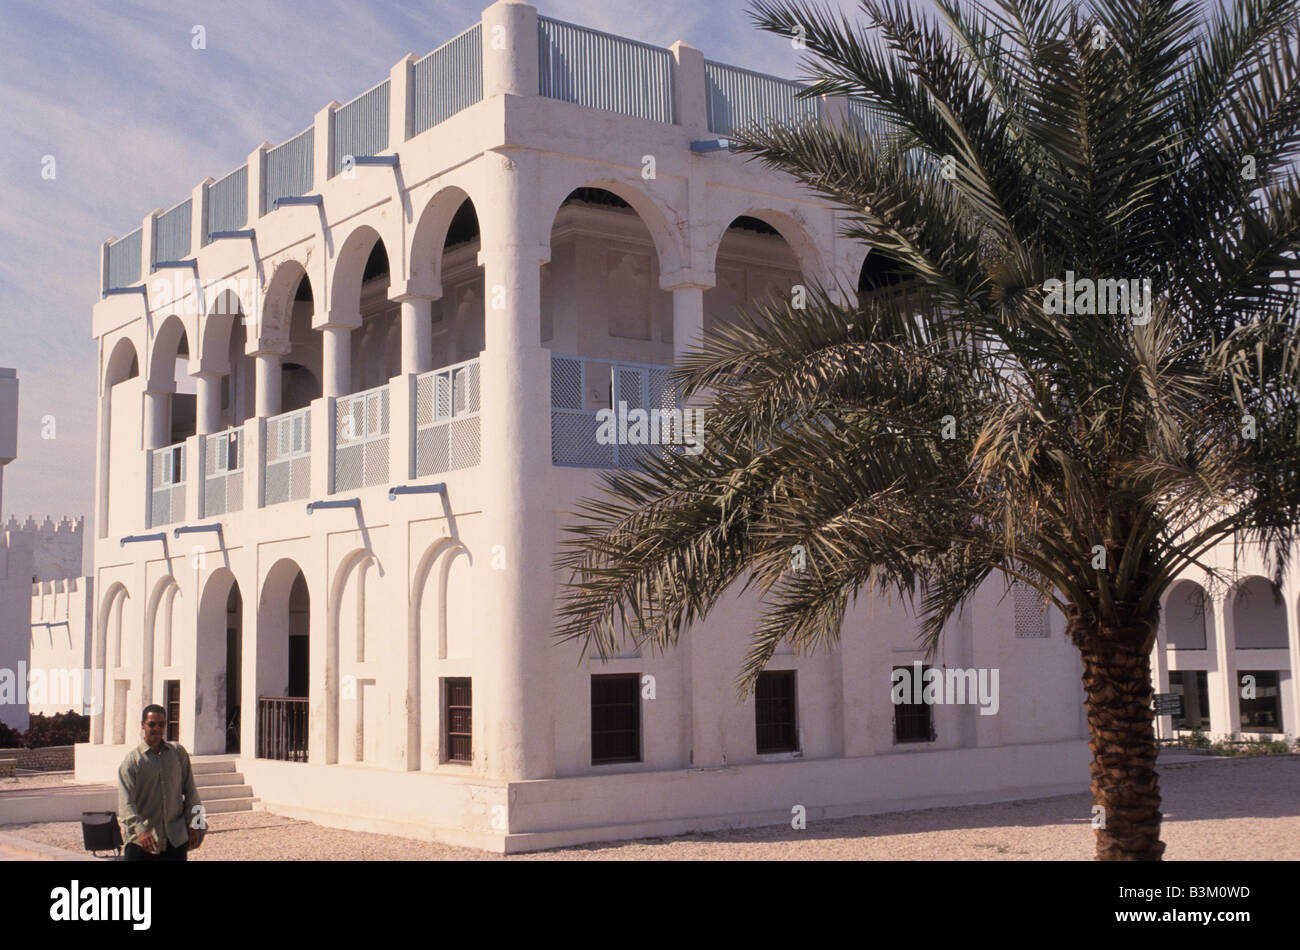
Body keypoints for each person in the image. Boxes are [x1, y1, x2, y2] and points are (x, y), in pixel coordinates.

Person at [117, 705, 204, 861]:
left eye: (161, 724)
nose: (156, 728)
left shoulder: (178, 754)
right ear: (143, 724)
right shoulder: (132, 762)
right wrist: (140, 830)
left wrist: (196, 824)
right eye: (151, 724)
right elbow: (126, 805)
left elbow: (191, 792)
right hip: (143, 845)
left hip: (175, 843)